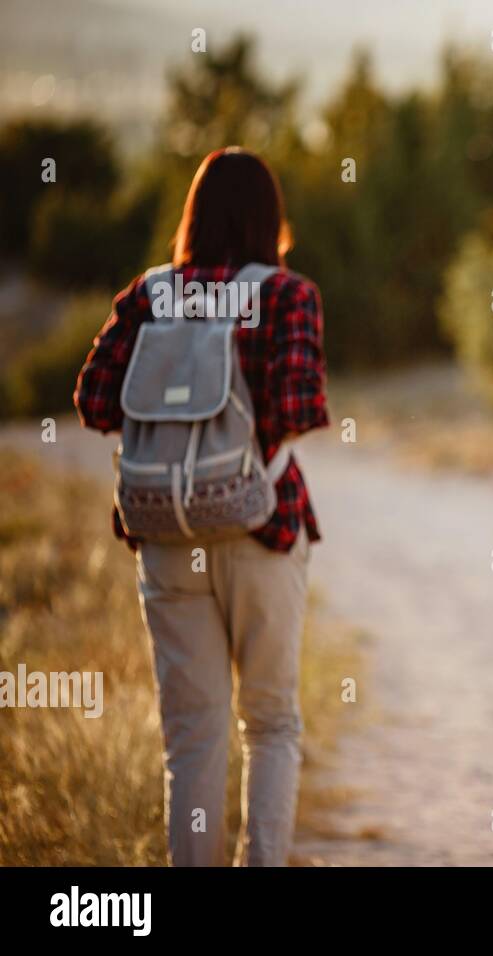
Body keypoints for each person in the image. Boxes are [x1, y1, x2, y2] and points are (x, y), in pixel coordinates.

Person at [73, 147, 329, 866]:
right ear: (270, 219)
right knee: (271, 721)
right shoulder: (286, 294)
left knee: (192, 731)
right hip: (262, 525)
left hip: (163, 533)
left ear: (193, 215)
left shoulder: (151, 294)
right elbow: (299, 408)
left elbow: (94, 401)